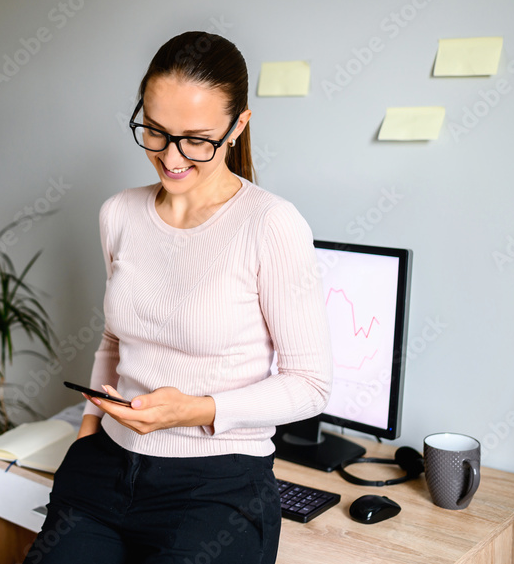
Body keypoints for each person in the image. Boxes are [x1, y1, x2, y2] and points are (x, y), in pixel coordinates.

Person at [24, 32, 333, 564]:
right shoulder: (119, 213)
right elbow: (116, 338)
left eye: (196, 139)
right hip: (104, 469)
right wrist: (90, 429)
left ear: (238, 126)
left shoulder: (271, 225)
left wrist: (198, 410)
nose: (171, 157)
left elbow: (311, 385)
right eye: (155, 131)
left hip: (214, 491)